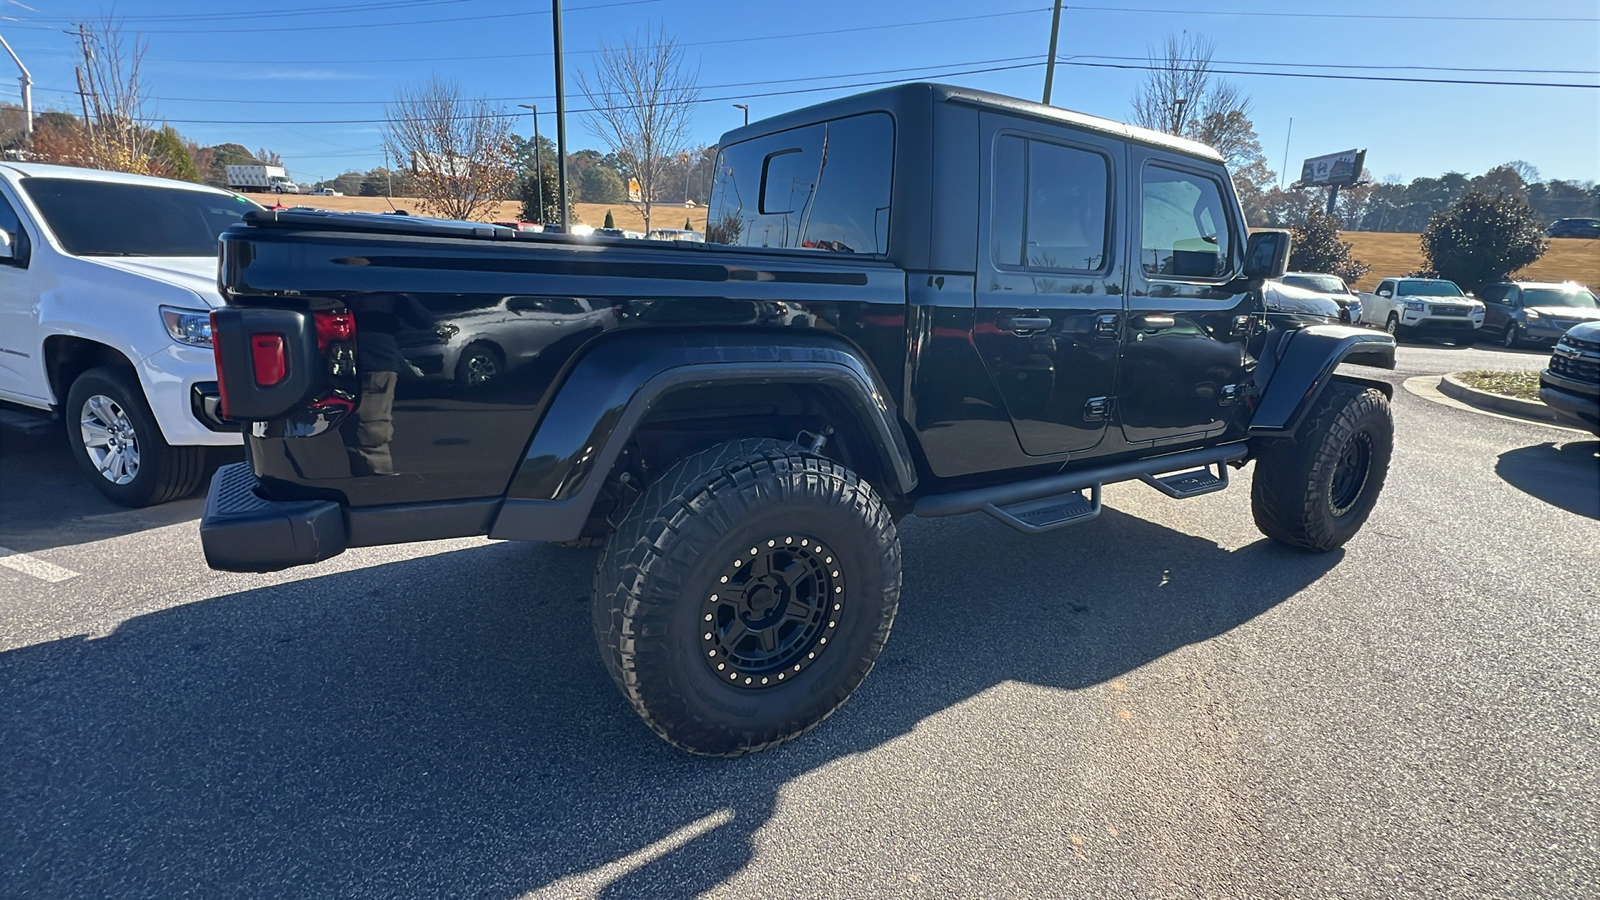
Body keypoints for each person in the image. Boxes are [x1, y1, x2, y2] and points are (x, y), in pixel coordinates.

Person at [343, 292, 434, 475]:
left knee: (367, 428)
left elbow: (424, 320)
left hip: (359, 363)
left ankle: (375, 480)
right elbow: (424, 320)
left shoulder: (332, 286)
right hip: (367, 362)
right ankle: (373, 481)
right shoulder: (383, 289)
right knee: (365, 428)